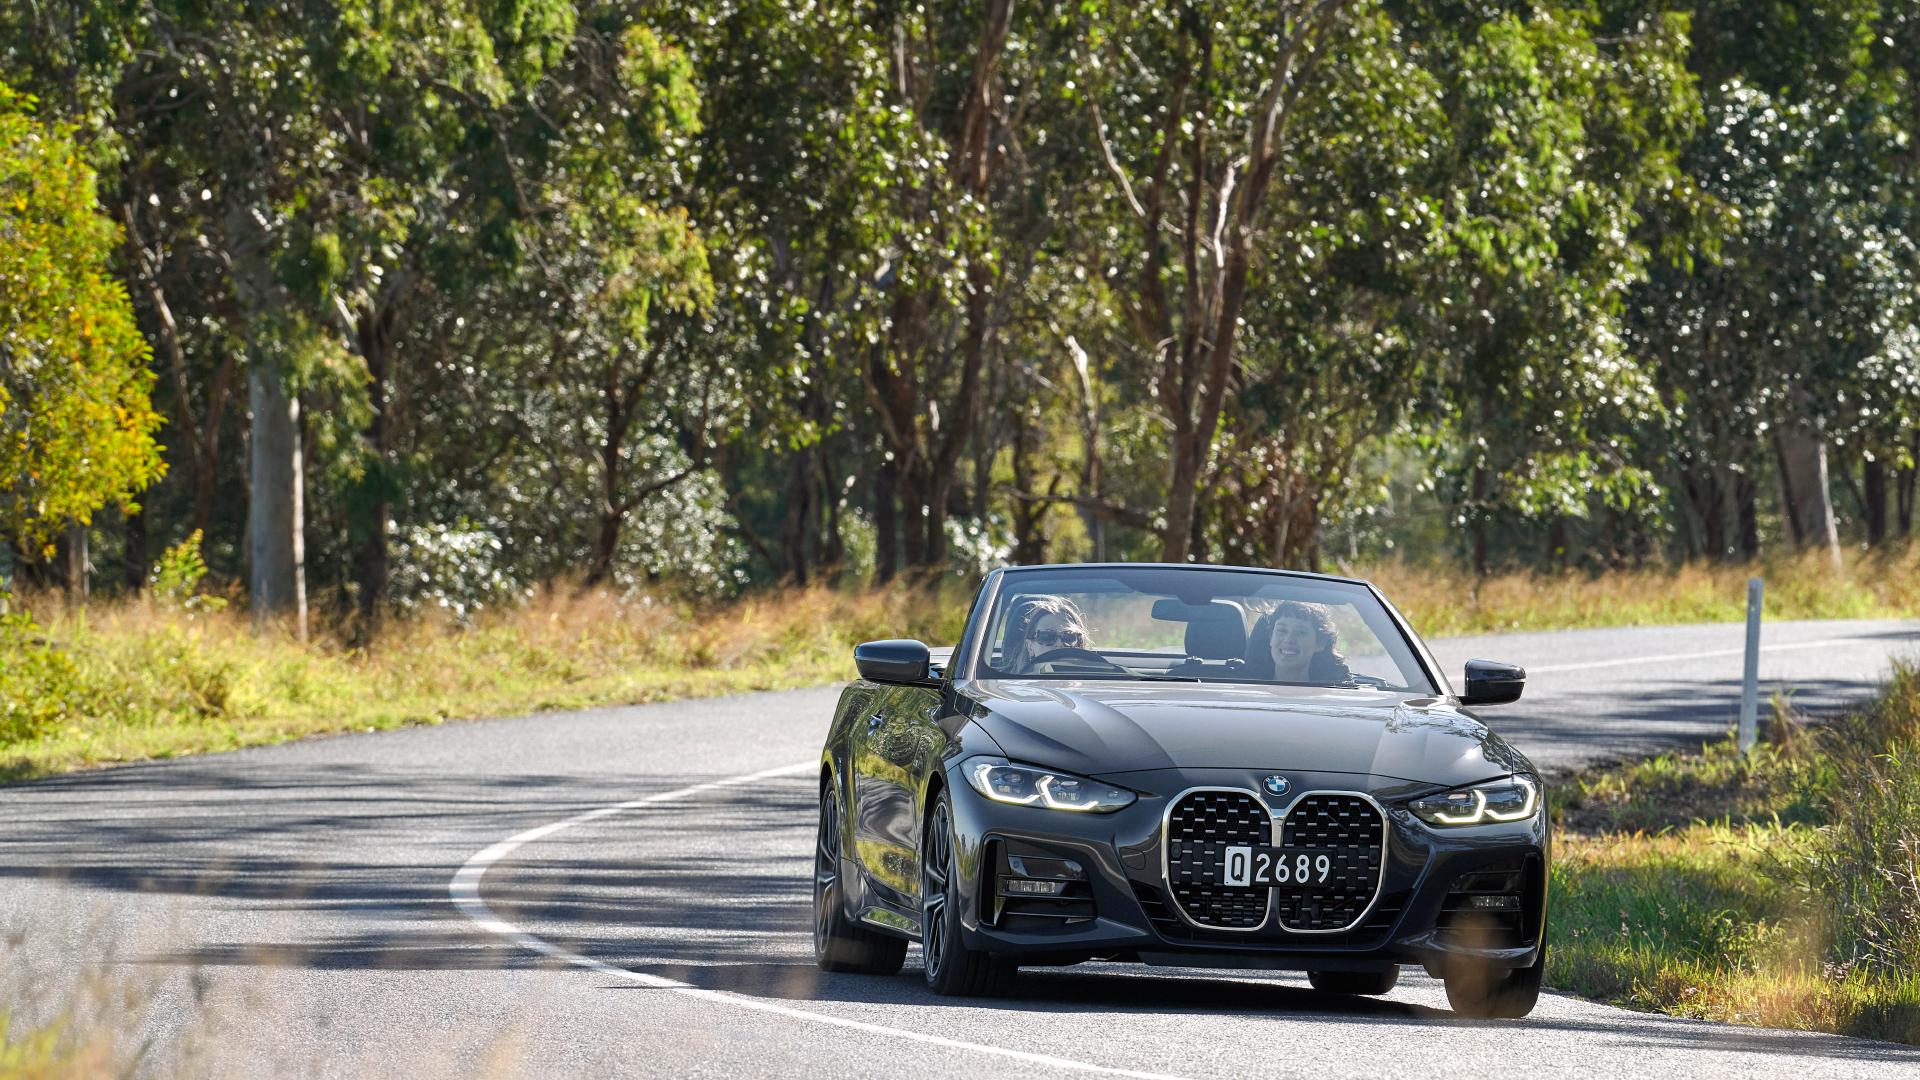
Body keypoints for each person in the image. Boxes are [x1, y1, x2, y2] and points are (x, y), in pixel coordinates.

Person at [1246, 600, 1351, 685]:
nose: (1289, 639)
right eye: (1282, 630)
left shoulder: (1338, 692)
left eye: (1301, 632)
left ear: (1320, 643)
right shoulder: (1242, 689)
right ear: (1271, 638)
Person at [1002, 595, 1093, 674]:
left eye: (1069, 637)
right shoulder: (1009, 685)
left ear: (1079, 644)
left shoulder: (1094, 681)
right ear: (1030, 647)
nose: (1059, 644)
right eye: (1047, 636)